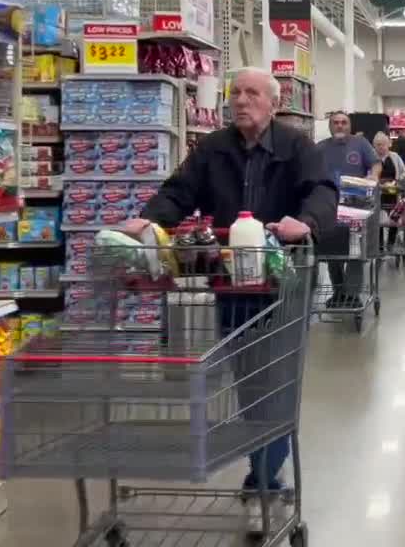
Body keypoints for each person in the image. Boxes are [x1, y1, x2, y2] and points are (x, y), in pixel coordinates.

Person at [128, 68, 337, 494]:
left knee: (276, 376)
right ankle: (261, 461)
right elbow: (178, 191)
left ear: (274, 103)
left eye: (252, 93)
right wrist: (149, 218)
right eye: (235, 93)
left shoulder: (297, 146)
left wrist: (306, 221)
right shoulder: (213, 148)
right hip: (231, 281)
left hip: (284, 279)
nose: (241, 101)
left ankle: (265, 470)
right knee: (246, 375)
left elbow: (323, 191)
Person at [316, 112, 380, 307]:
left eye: (344, 122)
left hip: (355, 206)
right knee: (332, 252)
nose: (340, 126)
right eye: (335, 123)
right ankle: (338, 292)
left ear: (349, 126)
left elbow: (376, 164)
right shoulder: (320, 148)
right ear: (330, 126)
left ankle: (352, 295)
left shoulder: (360, 144)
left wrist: (373, 177)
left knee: (355, 251)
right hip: (328, 207)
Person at [373, 132, 405, 251]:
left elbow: (404, 172)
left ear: (388, 145)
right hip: (378, 194)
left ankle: (391, 243)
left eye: (383, 144)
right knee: (378, 219)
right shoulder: (372, 157)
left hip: (393, 192)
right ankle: (380, 245)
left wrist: (398, 181)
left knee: (394, 218)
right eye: (377, 145)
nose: (380, 147)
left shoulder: (395, 157)